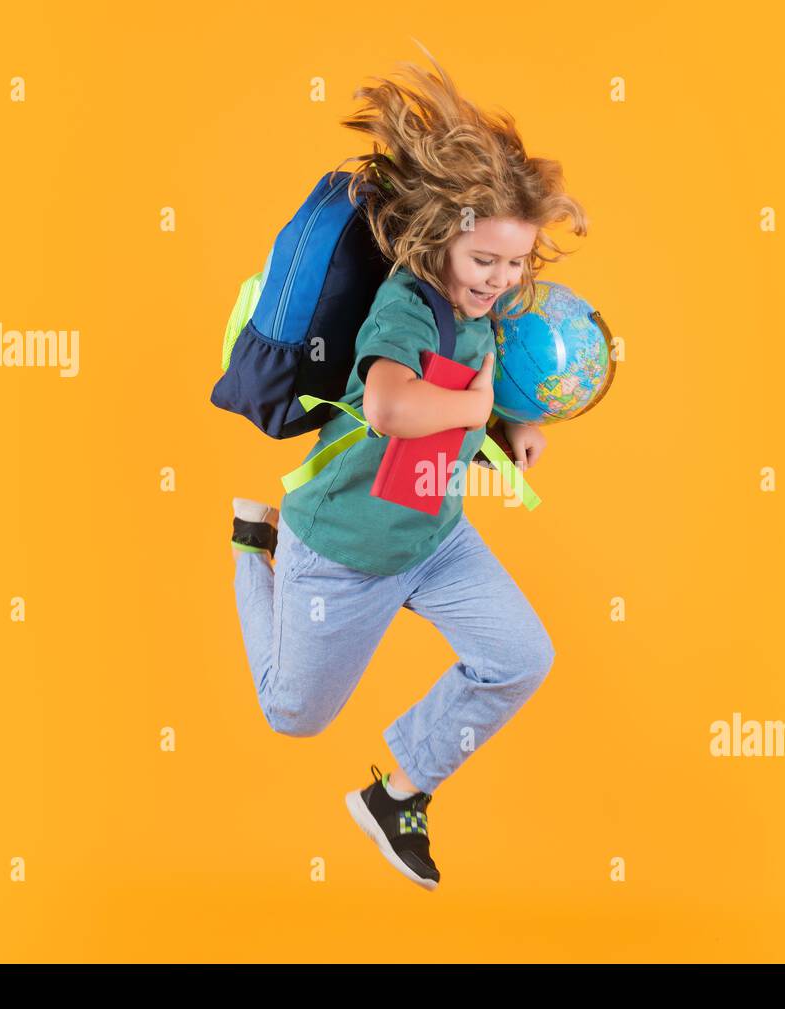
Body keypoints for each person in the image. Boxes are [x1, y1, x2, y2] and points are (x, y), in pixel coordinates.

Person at [229, 44, 587, 890]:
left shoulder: (479, 306)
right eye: (485, 262)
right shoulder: (407, 305)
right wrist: (475, 407)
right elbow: (392, 407)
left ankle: (398, 797)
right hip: (345, 551)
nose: (500, 281)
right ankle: (254, 544)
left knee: (519, 659)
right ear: (442, 241)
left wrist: (509, 422)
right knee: (292, 716)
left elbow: (468, 393)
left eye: (515, 264)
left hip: (433, 536)